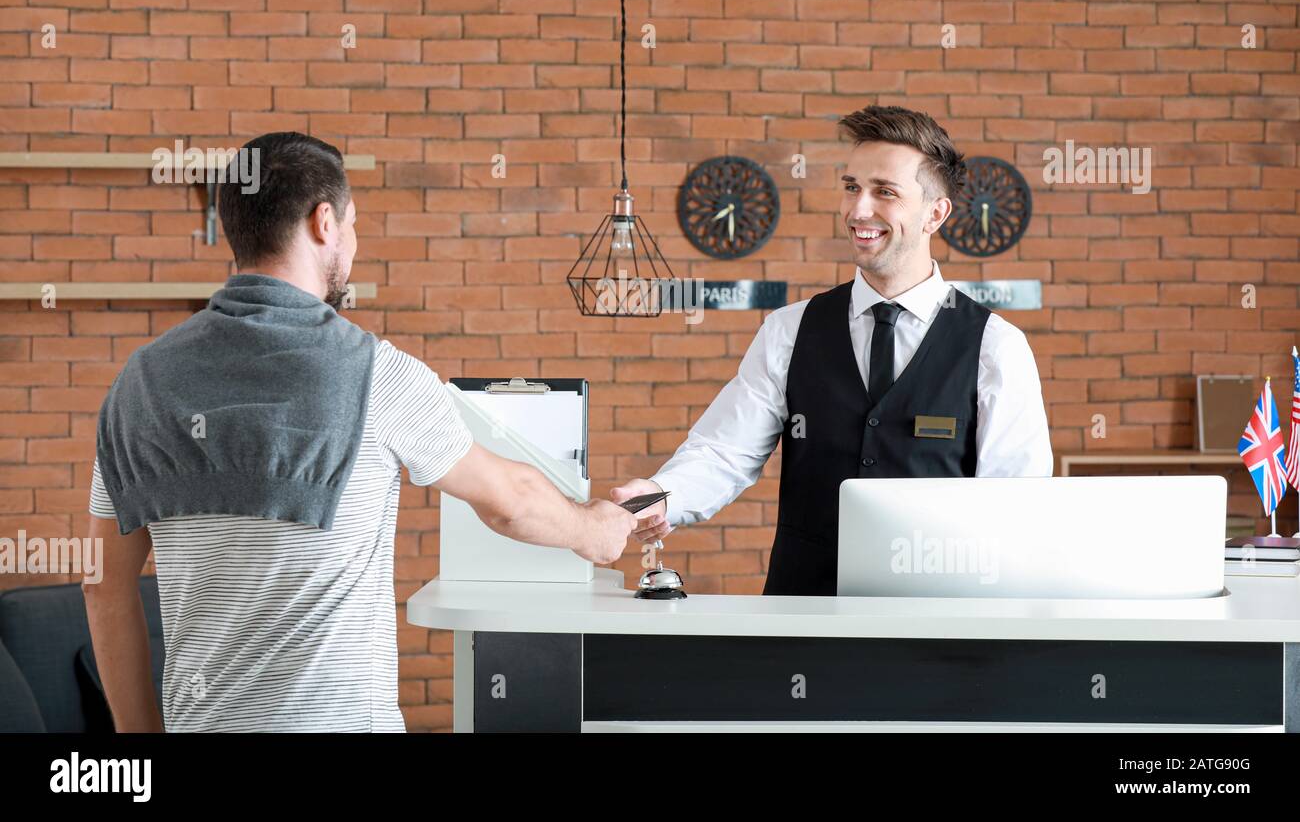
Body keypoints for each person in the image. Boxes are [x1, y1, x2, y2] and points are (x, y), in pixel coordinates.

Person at [82, 131, 635, 732]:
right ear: (324, 222)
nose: (354, 241)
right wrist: (594, 529)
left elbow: (103, 585)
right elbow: (510, 503)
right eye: (352, 224)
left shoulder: (139, 383)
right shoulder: (375, 373)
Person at [613, 105, 1053, 596]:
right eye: (851, 187)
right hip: (801, 621)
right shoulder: (789, 329)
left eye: (884, 192)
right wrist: (660, 495)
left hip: (939, 629)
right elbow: (723, 452)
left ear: (936, 213)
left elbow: (1016, 509)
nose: (858, 210)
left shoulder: (996, 347)